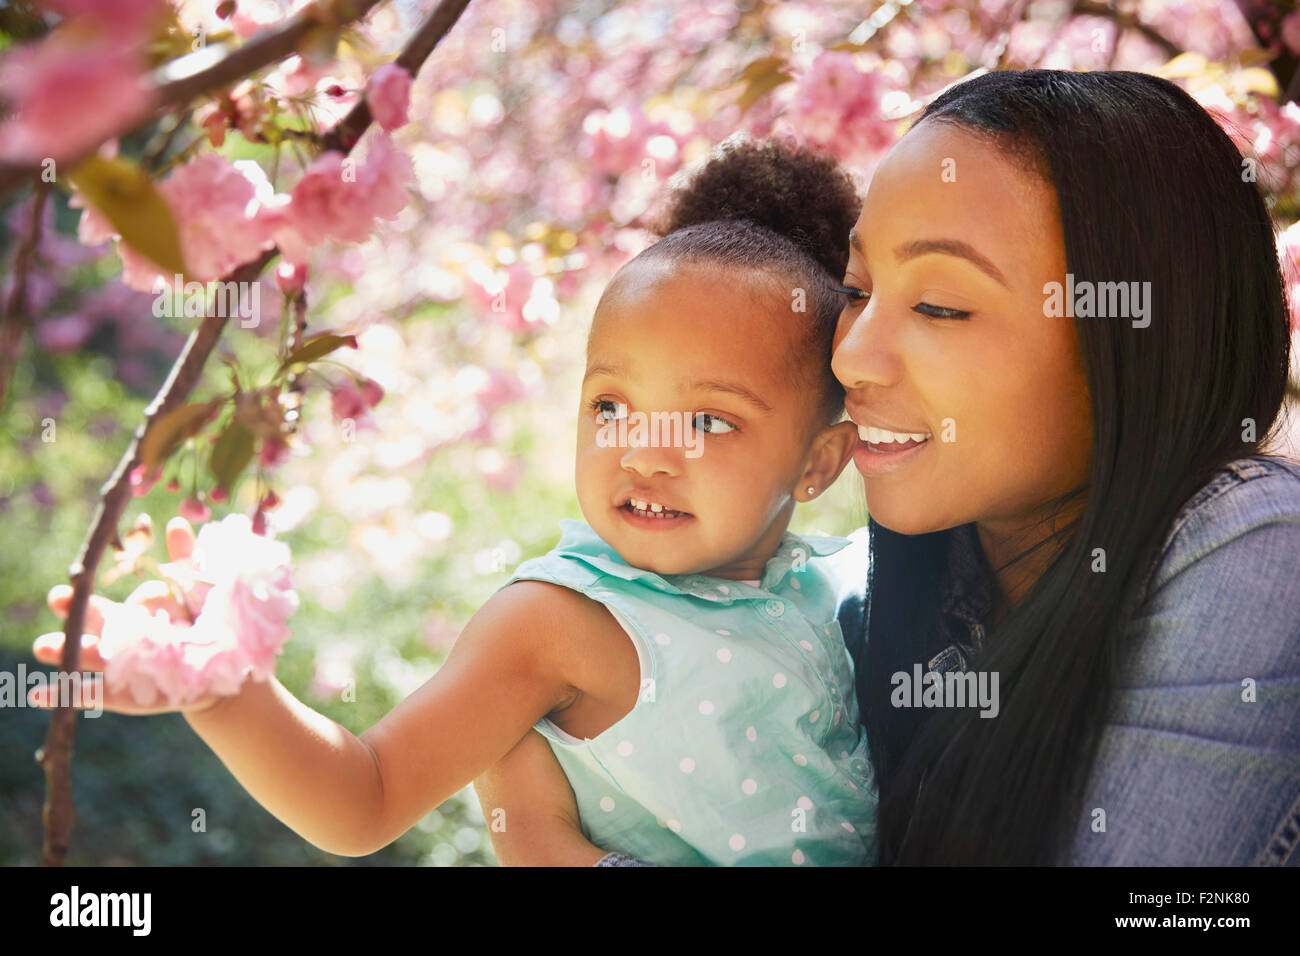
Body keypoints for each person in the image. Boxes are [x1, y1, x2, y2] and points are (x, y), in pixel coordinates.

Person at [477, 69, 1300, 866]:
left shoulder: (1254, 547)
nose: (853, 358)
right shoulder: (878, 597)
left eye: (940, 305)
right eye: (858, 291)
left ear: (1131, 335)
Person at [33, 138, 883, 866]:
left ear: (820, 463)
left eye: (708, 419)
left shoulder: (838, 585)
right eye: (612, 407)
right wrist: (220, 691)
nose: (646, 452)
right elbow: (364, 796)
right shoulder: (560, 624)